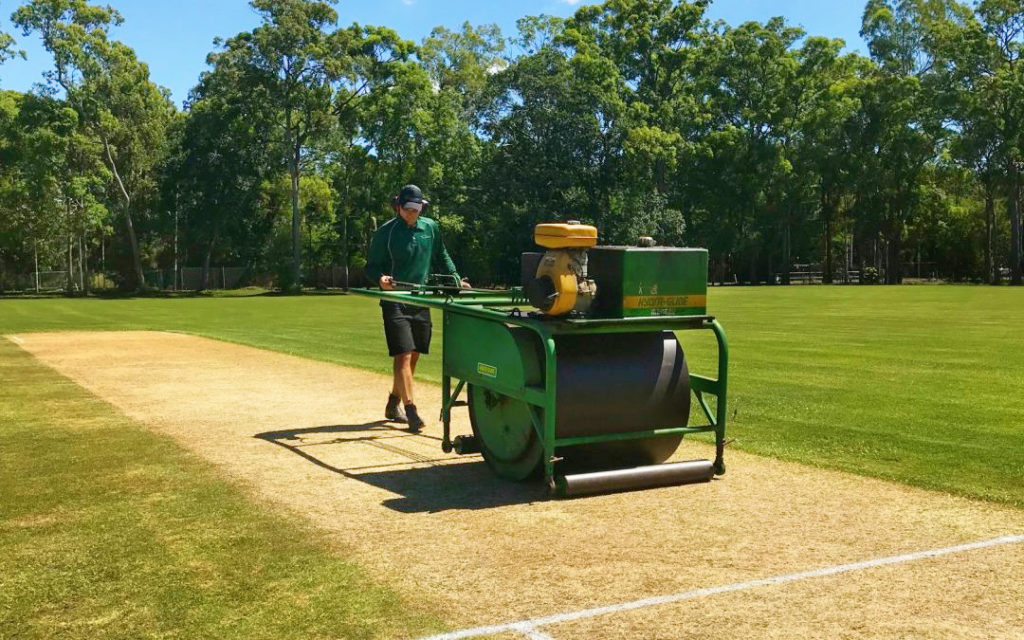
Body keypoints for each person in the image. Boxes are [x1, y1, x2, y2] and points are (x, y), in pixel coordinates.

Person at [364, 185, 470, 432]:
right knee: (403, 353)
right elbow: (371, 267)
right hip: (394, 300)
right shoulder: (386, 233)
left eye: (417, 209)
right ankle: (411, 410)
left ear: (423, 207)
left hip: (420, 300)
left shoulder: (431, 228)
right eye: (408, 209)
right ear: (398, 206)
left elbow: (442, 255)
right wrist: (380, 279)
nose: (412, 213)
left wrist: (455, 278)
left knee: (413, 355)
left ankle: (393, 402)